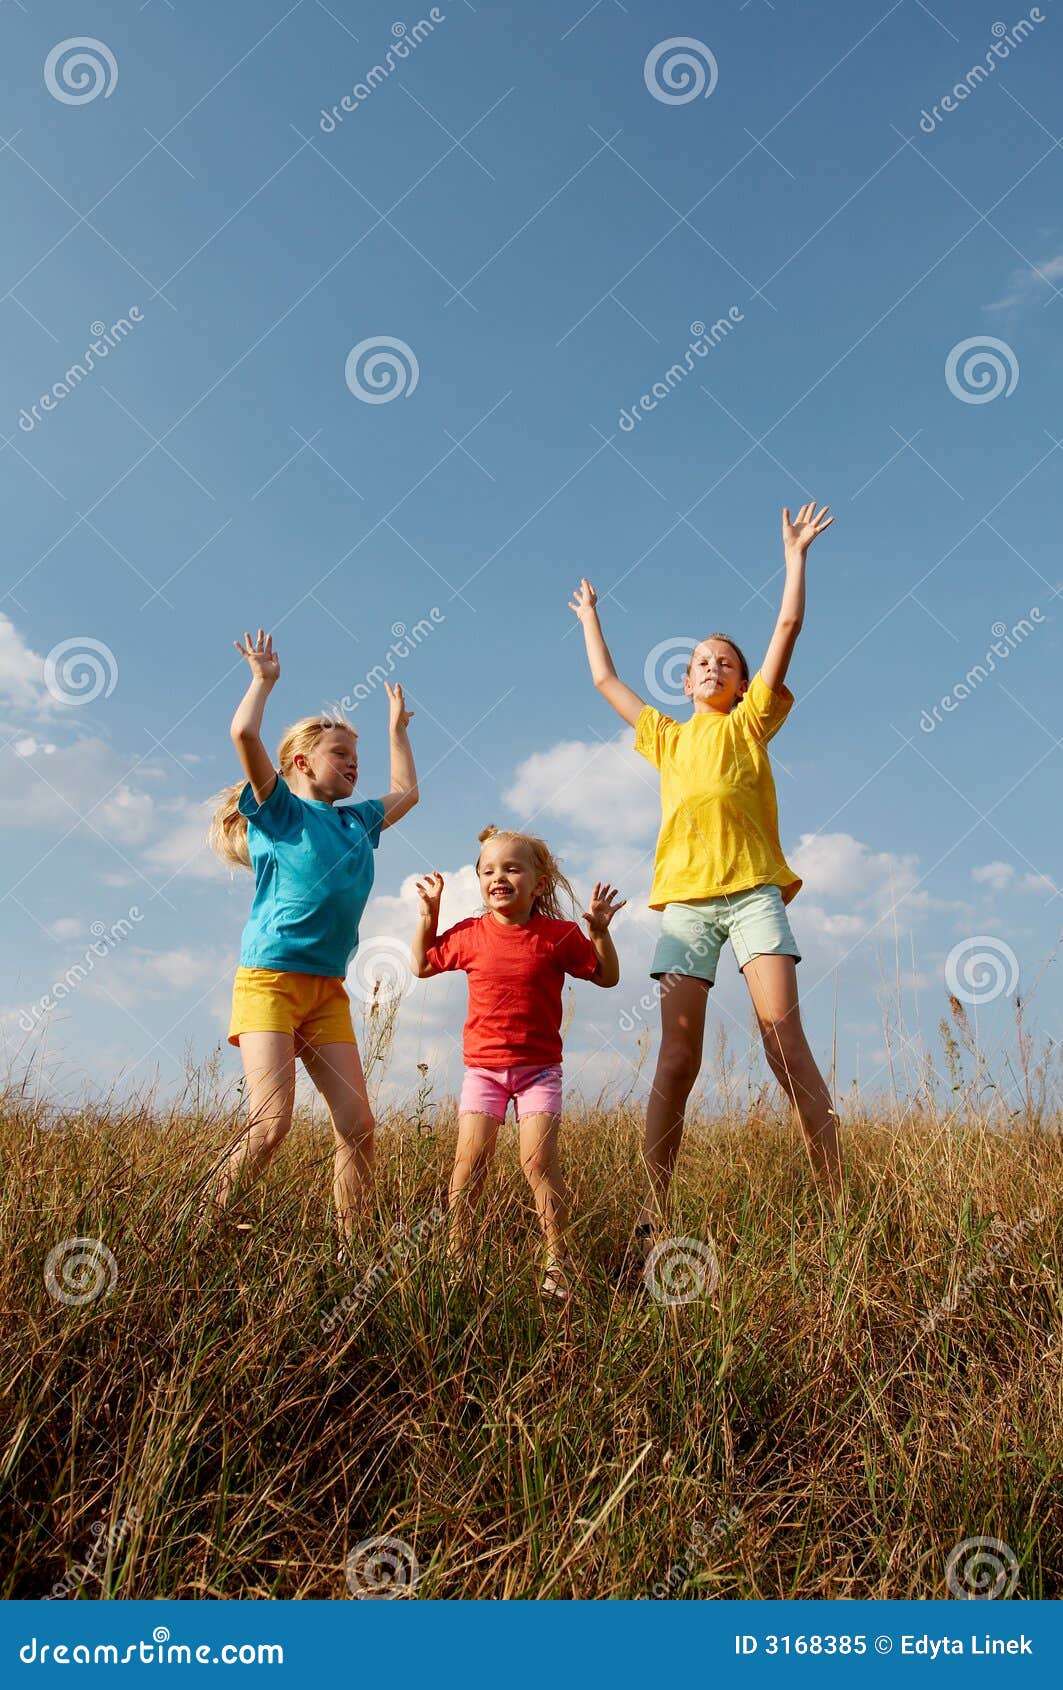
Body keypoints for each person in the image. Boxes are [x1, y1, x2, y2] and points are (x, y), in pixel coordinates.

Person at [570, 502, 844, 1248]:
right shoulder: (663, 736)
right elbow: (605, 681)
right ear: (685, 681)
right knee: (678, 1054)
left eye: (725, 660)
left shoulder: (751, 721)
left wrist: (794, 560)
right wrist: (590, 615)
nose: (712, 666)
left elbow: (784, 632)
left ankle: (839, 1203)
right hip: (686, 906)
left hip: (753, 894)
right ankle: (650, 1214)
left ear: (741, 682)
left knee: (781, 1040)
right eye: (699, 661)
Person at [205, 629, 418, 1252]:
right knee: (271, 1125)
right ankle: (197, 1225)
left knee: (358, 1126)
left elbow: (408, 792)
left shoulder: (358, 820)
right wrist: (262, 681)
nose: (355, 766)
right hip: (270, 981)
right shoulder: (278, 810)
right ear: (301, 764)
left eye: (357, 757)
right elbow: (244, 737)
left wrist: (396, 730)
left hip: (326, 992)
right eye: (341, 756)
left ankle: (352, 1252)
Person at [411, 826, 623, 1302]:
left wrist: (600, 934)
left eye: (511, 868)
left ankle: (556, 1263)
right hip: (483, 1072)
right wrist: (429, 915)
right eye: (488, 870)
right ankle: (456, 1258)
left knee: (538, 1161)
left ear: (539, 882)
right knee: (469, 1162)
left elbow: (607, 977)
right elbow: (422, 964)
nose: (498, 877)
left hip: (538, 1072)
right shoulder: (469, 934)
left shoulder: (559, 936)